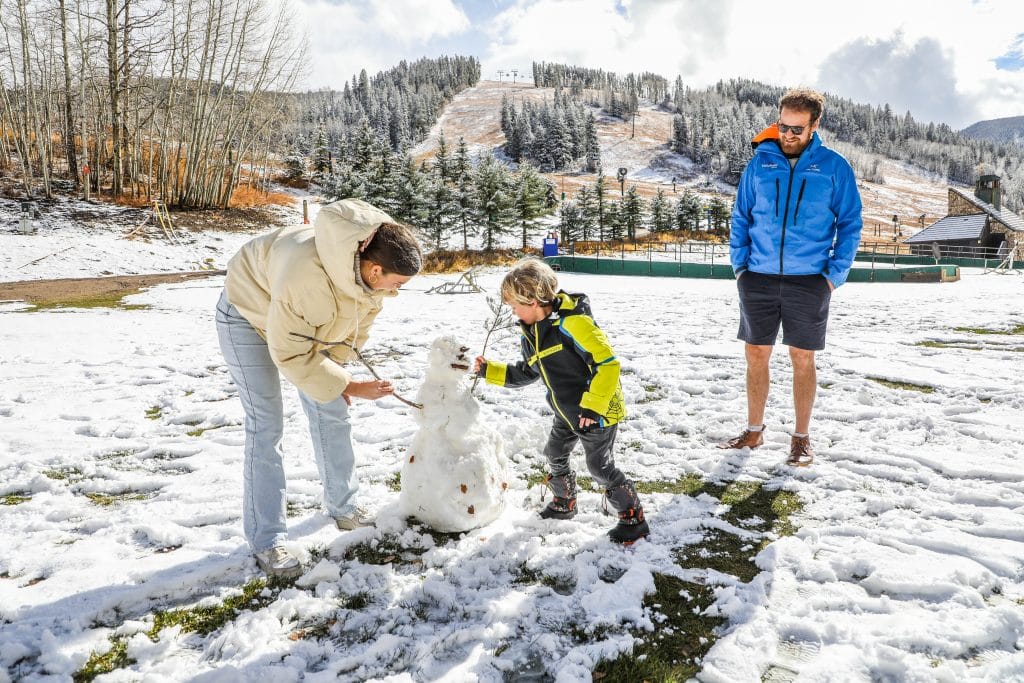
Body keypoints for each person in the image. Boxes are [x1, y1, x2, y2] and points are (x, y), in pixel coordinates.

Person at [216, 198, 423, 578]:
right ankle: (267, 540)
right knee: (266, 425)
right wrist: (351, 385)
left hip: (298, 318)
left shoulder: (367, 274)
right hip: (247, 311)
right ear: (375, 270)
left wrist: (340, 376)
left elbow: (353, 329)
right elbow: (291, 352)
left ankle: (344, 508)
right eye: (397, 283)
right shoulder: (307, 278)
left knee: (331, 409)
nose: (397, 291)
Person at [720, 88, 862, 467]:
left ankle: (801, 438)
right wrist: (741, 268)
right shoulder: (760, 164)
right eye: (783, 126)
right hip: (758, 277)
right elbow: (741, 217)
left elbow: (850, 224)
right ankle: (754, 429)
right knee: (755, 354)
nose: (788, 135)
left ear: (815, 125)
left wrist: (833, 275)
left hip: (810, 280)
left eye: (797, 129)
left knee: (802, 358)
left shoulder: (834, 167)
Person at [473, 259, 649, 544]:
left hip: (596, 412)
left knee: (600, 467)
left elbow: (608, 364)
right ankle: (564, 503)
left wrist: (593, 407)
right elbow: (527, 371)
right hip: (566, 412)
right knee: (554, 452)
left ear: (532, 300)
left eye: (514, 305)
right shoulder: (532, 334)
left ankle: (633, 519)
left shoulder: (574, 323)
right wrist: (487, 371)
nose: (513, 311)